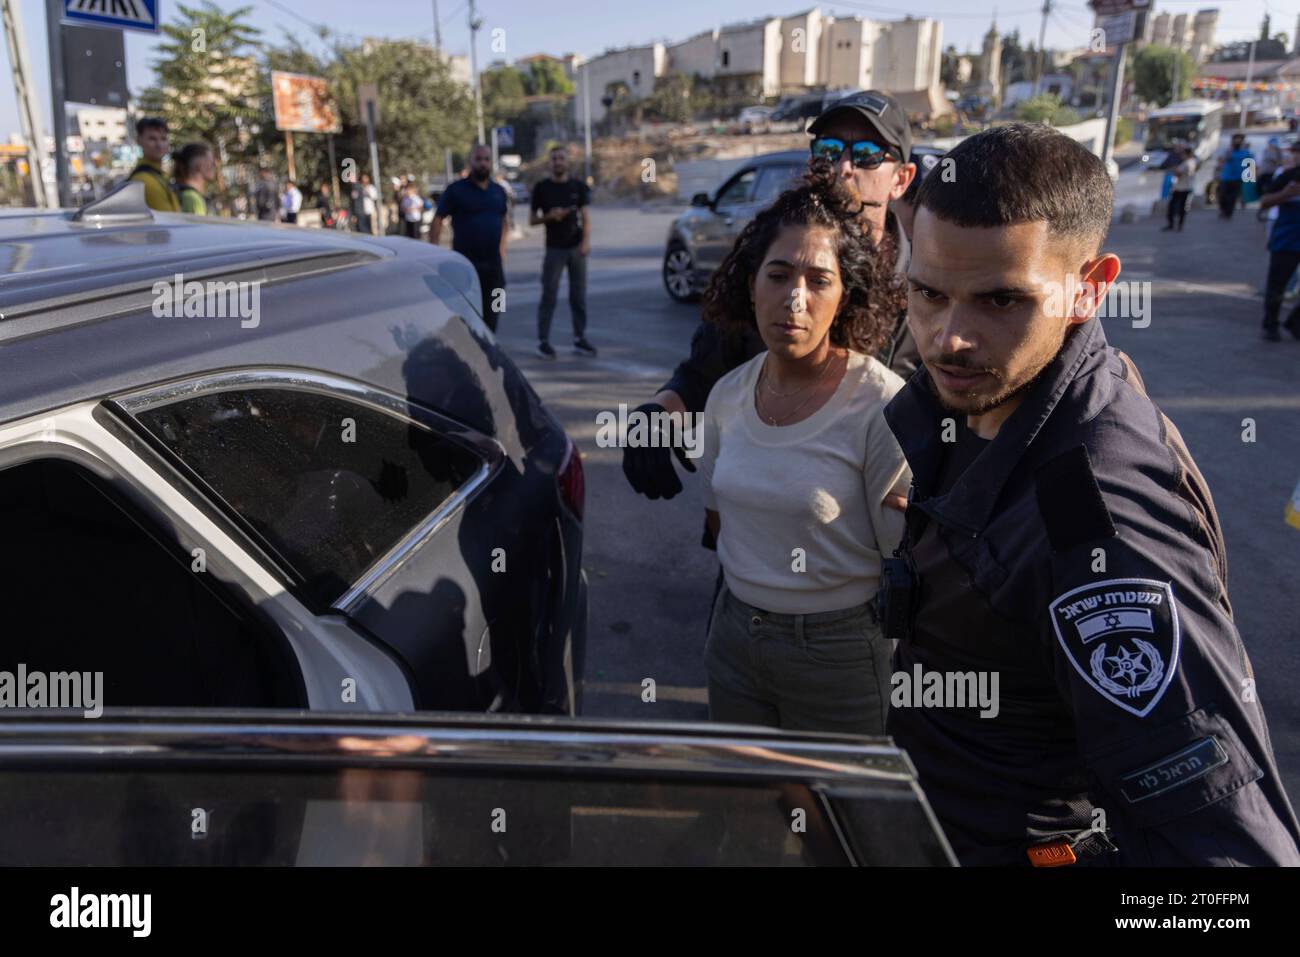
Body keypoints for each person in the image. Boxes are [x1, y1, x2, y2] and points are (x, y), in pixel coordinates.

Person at [878, 123, 1300, 866]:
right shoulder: (980, 401)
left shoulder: (1101, 517)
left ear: (1091, 287)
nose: (949, 338)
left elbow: (1231, 864)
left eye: (1001, 300)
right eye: (928, 293)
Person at [697, 160, 910, 734]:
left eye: (818, 280)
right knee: (748, 813)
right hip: (734, 639)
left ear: (845, 297)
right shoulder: (726, 396)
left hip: (838, 654)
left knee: (837, 821)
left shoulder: (882, 402)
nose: (795, 299)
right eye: (778, 274)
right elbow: (721, 520)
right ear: (751, 283)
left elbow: (904, 551)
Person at [623, 90, 918, 503]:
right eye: (830, 149)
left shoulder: (928, 288)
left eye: (867, 153)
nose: (844, 166)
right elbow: (701, 375)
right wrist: (654, 419)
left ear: (901, 178)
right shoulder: (766, 261)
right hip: (756, 524)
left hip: (870, 547)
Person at [432, 144, 509, 332]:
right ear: (470, 162)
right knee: (468, 317)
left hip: (494, 267)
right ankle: (471, 354)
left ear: (491, 163)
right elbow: (438, 219)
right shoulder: (456, 190)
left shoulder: (499, 191)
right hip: (465, 266)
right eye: (478, 159)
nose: (482, 163)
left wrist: (502, 249)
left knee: (496, 309)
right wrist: (433, 252)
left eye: (486, 159)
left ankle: (491, 346)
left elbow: (504, 221)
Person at [530, 145, 596, 359]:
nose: (558, 162)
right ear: (550, 163)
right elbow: (532, 220)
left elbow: (586, 216)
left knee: (578, 296)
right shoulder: (541, 188)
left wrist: (585, 242)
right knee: (548, 295)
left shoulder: (578, 186)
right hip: (554, 249)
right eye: (554, 159)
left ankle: (579, 338)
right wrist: (549, 217)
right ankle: (543, 341)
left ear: (567, 162)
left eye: (561, 158)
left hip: (575, 248)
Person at [1258, 140, 1300, 341]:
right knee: (1277, 287)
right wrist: (1286, 194)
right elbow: (1264, 202)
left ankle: (1294, 322)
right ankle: (1270, 324)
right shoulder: (1288, 177)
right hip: (1287, 241)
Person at [127, 118, 180, 212]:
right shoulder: (144, 180)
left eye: (163, 139)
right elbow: (168, 221)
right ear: (139, 141)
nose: (159, 144)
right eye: (152, 139)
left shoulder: (159, 175)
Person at [170, 142, 216, 216]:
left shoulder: (180, 192)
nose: (215, 166)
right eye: (212, 163)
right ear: (200, 166)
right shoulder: (192, 198)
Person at [1214, 133, 1253, 219]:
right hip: (1226, 177)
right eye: (1236, 140)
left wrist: (1250, 177)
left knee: (1233, 196)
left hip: (1238, 178)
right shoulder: (1228, 150)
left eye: (1239, 140)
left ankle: (1228, 213)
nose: (1237, 142)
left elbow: (1250, 163)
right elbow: (1221, 160)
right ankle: (1223, 210)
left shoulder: (1246, 152)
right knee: (1223, 195)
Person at [1161, 143, 1195, 233]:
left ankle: (1172, 224)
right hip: (1187, 187)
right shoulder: (1192, 162)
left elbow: (1178, 174)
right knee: (1182, 207)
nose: (1181, 155)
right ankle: (1180, 225)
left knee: (1173, 206)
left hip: (1181, 188)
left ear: (1186, 154)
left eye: (1183, 153)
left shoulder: (1186, 163)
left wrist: (1173, 170)